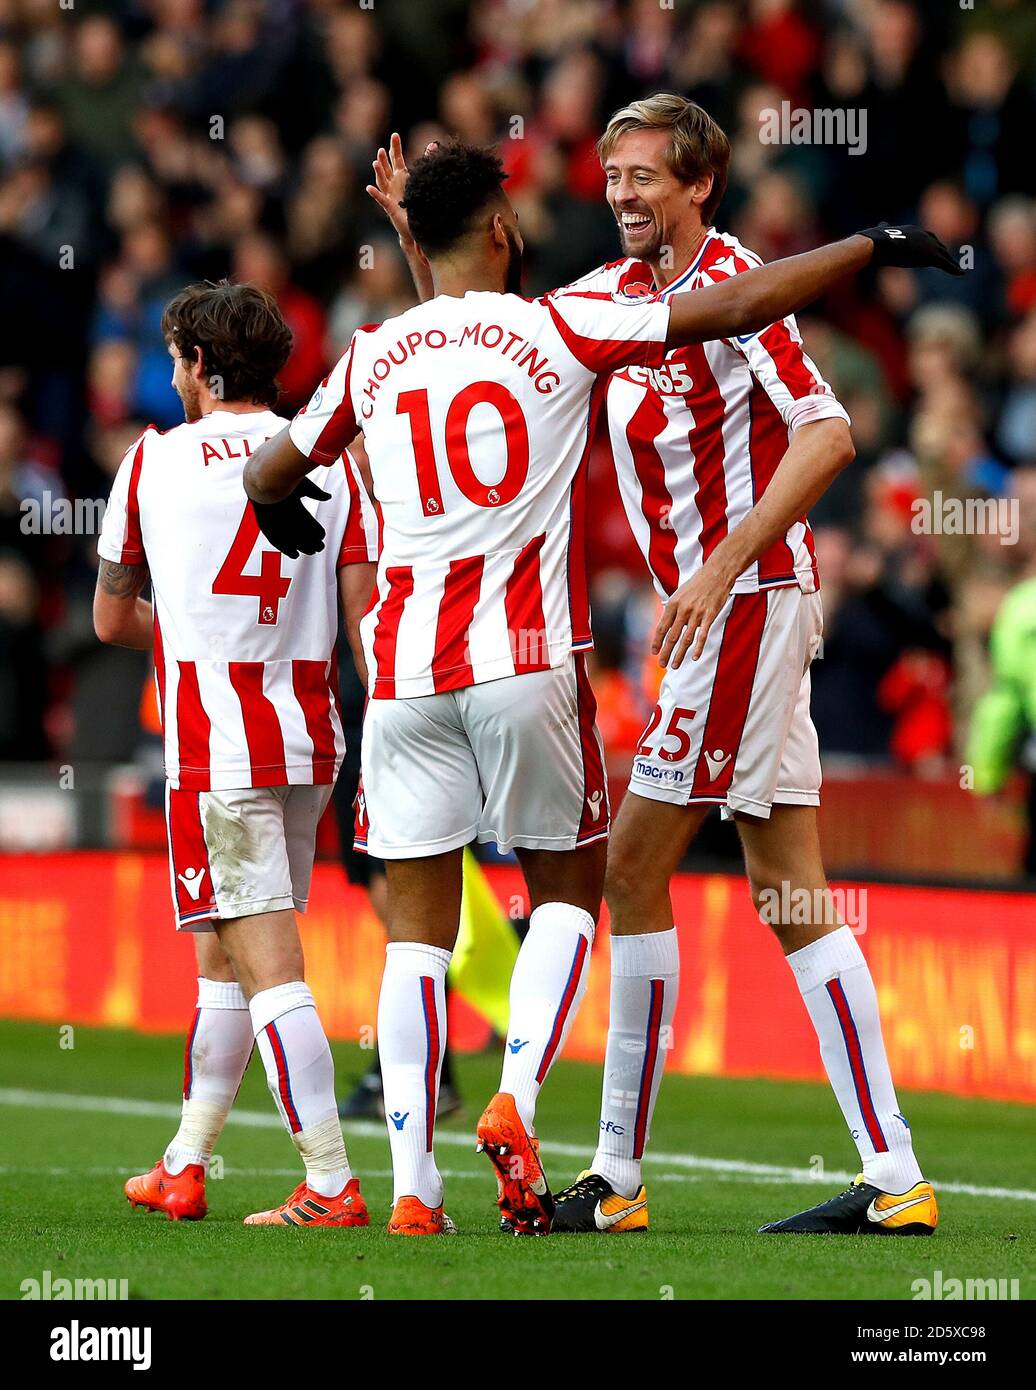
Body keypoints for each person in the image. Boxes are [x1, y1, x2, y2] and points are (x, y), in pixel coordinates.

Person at [244, 139, 959, 1236]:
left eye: (644, 174)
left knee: (626, 868)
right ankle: (892, 1169)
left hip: (743, 595)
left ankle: (613, 1170)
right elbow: (474, 324)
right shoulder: (585, 303)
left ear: (698, 183)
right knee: (790, 891)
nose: (620, 192)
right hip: (620, 633)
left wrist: (723, 560)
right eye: (609, 173)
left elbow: (828, 428)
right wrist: (424, 235)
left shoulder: (725, 283)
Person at [94, 281, 379, 1227]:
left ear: (202, 368)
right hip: (310, 740)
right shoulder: (333, 465)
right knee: (226, 957)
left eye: (177, 360)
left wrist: (191, 632)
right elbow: (361, 616)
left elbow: (109, 617)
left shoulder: (153, 462)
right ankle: (184, 1162)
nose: (171, 377)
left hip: (218, 747)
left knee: (268, 968)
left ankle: (331, 1183)